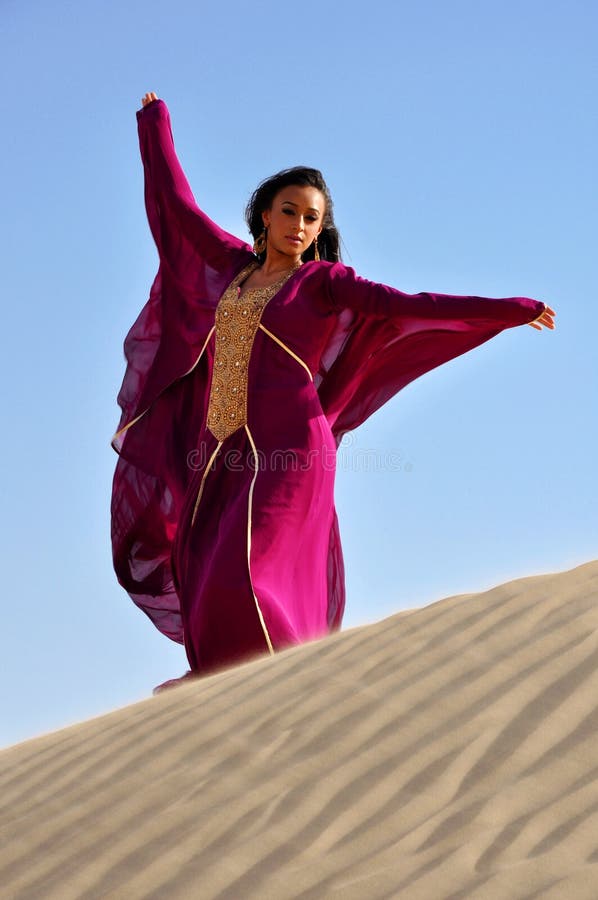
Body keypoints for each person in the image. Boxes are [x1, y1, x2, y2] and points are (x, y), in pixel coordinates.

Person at [110, 92, 556, 692]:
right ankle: (227, 684)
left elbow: (414, 305)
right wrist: (155, 122)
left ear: (321, 227)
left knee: (246, 569)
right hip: (222, 448)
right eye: (288, 211)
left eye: (311, 217)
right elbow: (174, 207)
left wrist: (508, 309)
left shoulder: (324, 283)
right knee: (203, 568)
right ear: (264, 215)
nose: (299, 226)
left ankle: (283, 687)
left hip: (292, 449)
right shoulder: (231, 268)